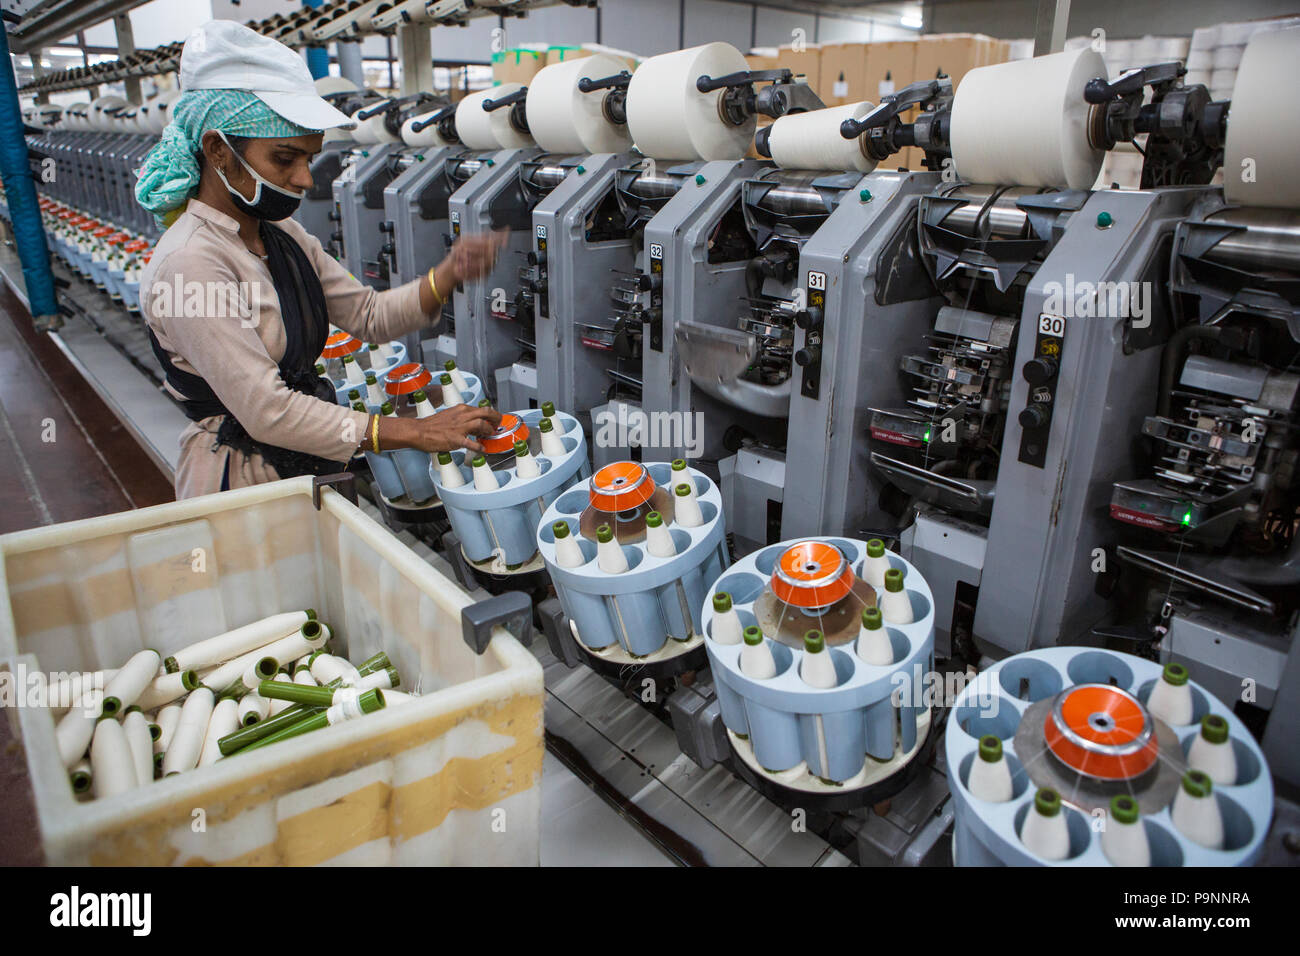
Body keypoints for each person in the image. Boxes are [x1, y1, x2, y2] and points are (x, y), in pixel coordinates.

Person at [136, 19, 502, 499]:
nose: (305, 179)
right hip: (243, 482)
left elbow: (368, 315)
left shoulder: (282, 235)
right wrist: (416, 431)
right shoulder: (190, 263)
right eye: (285, 159)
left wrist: (447, 275)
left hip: (307, 461)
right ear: (218, 152)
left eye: (309, 158)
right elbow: (267, 411)